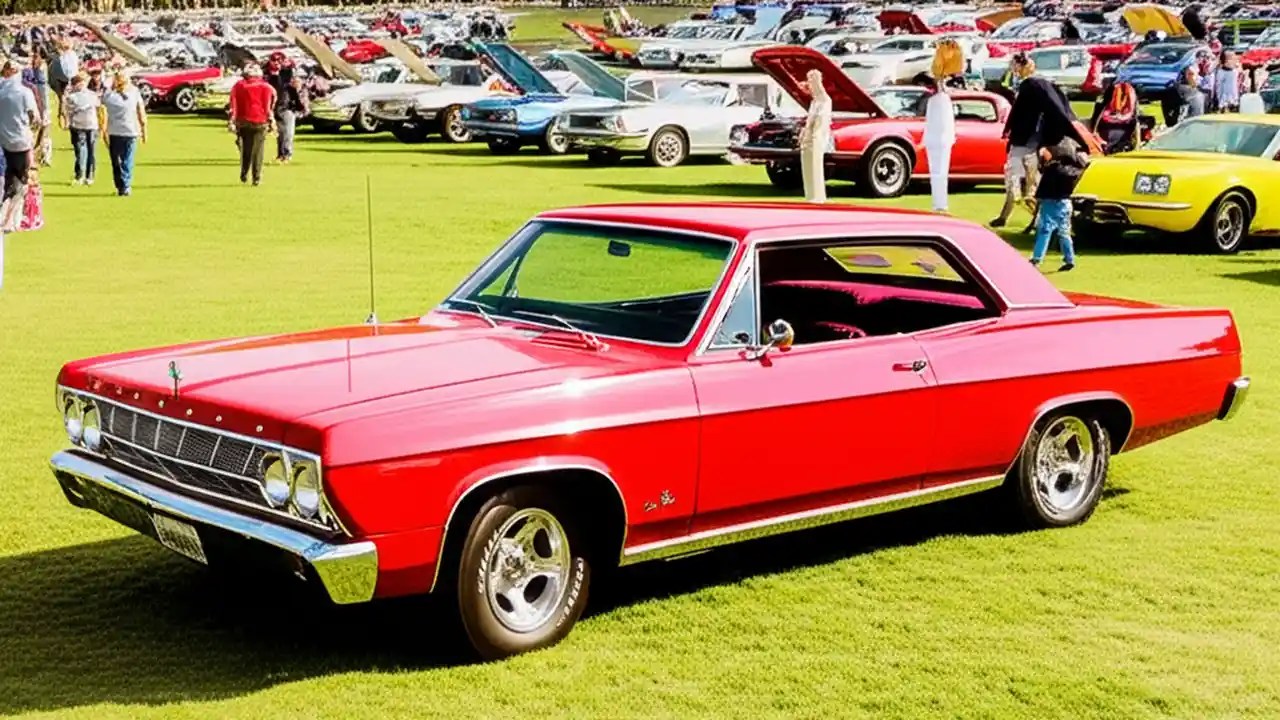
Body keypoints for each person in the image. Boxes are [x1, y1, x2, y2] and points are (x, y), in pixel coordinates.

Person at [991, 54, 1041, 229]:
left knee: (1024, 184)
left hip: (1024, 142)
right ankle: (1007, 217)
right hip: (1028, 141)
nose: (1011, 67)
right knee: (1025, 183)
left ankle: (1036, 219)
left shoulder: (1029, 86)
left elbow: (1018, 113)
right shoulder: (1027, 85)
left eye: (1013, 64)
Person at [1031, 137, 1089, 272]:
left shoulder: (1052, 170)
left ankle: (1037, 258)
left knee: (1045, 230)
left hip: (1051, 202)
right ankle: (1069, 259)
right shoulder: (1073, 171)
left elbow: (1043, 191)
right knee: (1064, 232)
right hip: (1065, 203)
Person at [924, 39, 963, 214]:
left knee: (939, 172)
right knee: (938, 173)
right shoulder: (938, 99)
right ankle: (939, 203)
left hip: (940, 140)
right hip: (937, 140)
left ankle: (940, 204)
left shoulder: (940, 99)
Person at [0, 60, 38, 225]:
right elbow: (34, 117)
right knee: (21, 180)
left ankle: (8, 214)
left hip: (3, 139)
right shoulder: (25, 92)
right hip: (21, 140)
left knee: (9, 177)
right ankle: (11, 219)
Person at [98, 72, 147, 197]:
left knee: (116, 161)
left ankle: (121, 185)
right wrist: (143, 128)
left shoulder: (109, 96)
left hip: (114, 131)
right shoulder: (134, 93)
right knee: (127, 159)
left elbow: (101, 108)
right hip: (131, 131)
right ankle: (125, 185)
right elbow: (141, 112)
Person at [229, 63, 276, 186]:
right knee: (258, 150)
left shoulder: (238, 86)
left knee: (246, 148)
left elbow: (233, 104)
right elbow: (270, 104)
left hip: (243, 121)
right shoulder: (266, 87)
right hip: (260, 121)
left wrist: (232, 120)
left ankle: (244, 172)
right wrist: (271, 120)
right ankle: (257, 177)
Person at [265, 52, 306, 163]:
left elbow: (293, 88)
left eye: (279, 60)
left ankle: (286, 155)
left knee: (288, 132)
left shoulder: (289, 73)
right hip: (275, 106)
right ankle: (280, 155)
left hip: (287, 106)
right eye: (274, 60)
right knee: (280, 133)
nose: (276, 63)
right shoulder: (268, 74)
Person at [60, 73, 99, 185]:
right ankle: (83, 175)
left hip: (88, 125)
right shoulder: (76, 96)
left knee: (88, 151)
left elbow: (69, 110)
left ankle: (86, 175)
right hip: (79, 126)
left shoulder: (83, 95)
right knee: (82, 151)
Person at [799, 68, 831, 203]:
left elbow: (821, 121)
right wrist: (804, 132)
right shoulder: (814, 101)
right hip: (808, 138)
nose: (809, 84)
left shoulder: (825, 100)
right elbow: (809, 119)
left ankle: (817, 196)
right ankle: (810, 195)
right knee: (807, 167)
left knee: (816, 166)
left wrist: (813, 135)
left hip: (816, 138)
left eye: (811, 80)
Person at [1090, 81, 1140, 154]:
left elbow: (1096, 118)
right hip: (1123, 130)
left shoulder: (1103, 106)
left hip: (1108, 130)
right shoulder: (1131, 102)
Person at [21, 52, 50, 167]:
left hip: (26, 115)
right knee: (32, 138)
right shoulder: (35, 86)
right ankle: (34, 159)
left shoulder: (24, 86)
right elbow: (40, 101)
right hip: (33, 114)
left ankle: (35, 158)